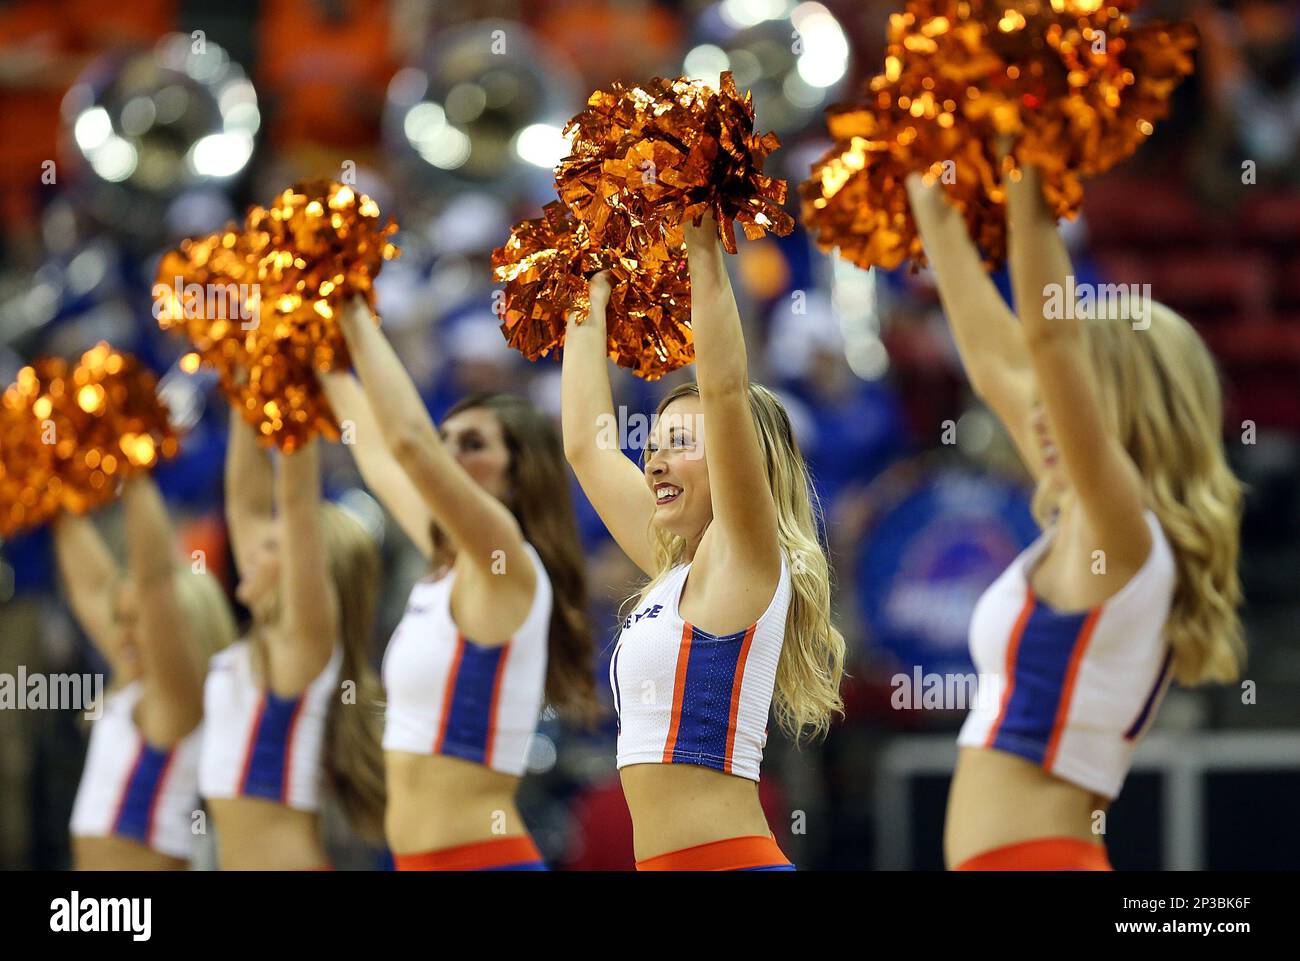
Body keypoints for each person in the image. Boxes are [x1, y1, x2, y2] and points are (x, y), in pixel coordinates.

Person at [906, 164, 1245, 871]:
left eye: (1069, 397)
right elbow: (998, 359)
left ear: (1123, 405)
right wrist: (930, 204)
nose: (1041, 411)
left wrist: (1029, 165)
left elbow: (1047, 341)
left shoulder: (1124, 534)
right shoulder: (1089, 517)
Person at [562, 214, 846, 870]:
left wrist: (702, 243)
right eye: (654, 445)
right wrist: (586, 289)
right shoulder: (676, 574)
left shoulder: (747, 556)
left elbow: (722, 387)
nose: (655, 461)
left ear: (742, 459)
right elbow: (587, 445)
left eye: (682, 445)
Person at [317, 296, 598, 871]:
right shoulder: (451, 562)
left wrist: (346, 303)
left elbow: (408, 446)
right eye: (448, 441)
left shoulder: (510, 563)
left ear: (519, 480)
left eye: (473, 445)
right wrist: (312, 348)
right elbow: (379, 455)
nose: (450, 458)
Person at [199, 418, 385, 869]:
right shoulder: (263, 644)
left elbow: (296, 500)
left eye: (270, 546)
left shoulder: (302, 649)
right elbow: (244, 501)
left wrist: (290, 392)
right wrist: (246, 384)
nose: (248, 551)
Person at [59, 475, 235, 869]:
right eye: (120, 619)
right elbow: (90, 589)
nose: (121, 633)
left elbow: (154, 582)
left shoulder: (179, 700)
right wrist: (50, 478)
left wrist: (132, 465)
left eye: (137, 621)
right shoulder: (135, 683)